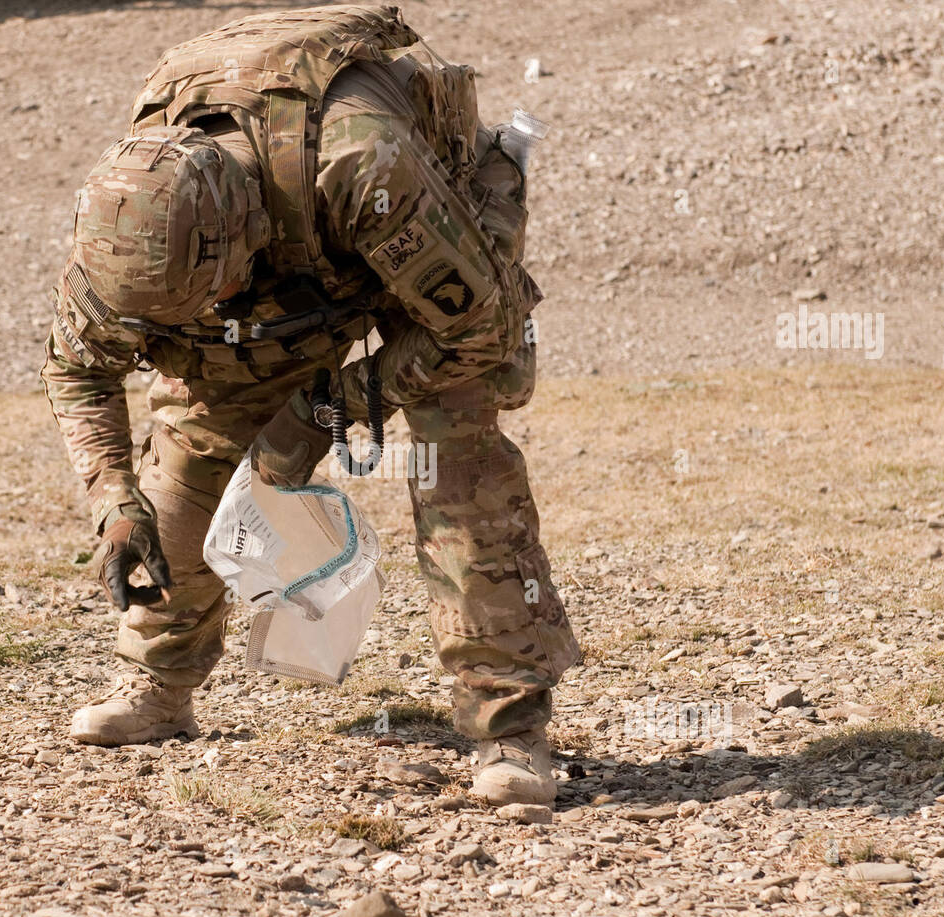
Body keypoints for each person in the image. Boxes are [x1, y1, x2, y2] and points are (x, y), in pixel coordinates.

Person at [41, 4, 580, 806]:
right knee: (190, 450)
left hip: (422, 244)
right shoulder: (130, 224)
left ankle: (510, 727)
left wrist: (329, 407)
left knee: (455, 456)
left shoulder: (361, 163)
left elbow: (479, 326)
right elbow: (77, 369)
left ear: (243, 236)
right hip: (286, 286)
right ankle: (157, 682)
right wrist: (113, 501)